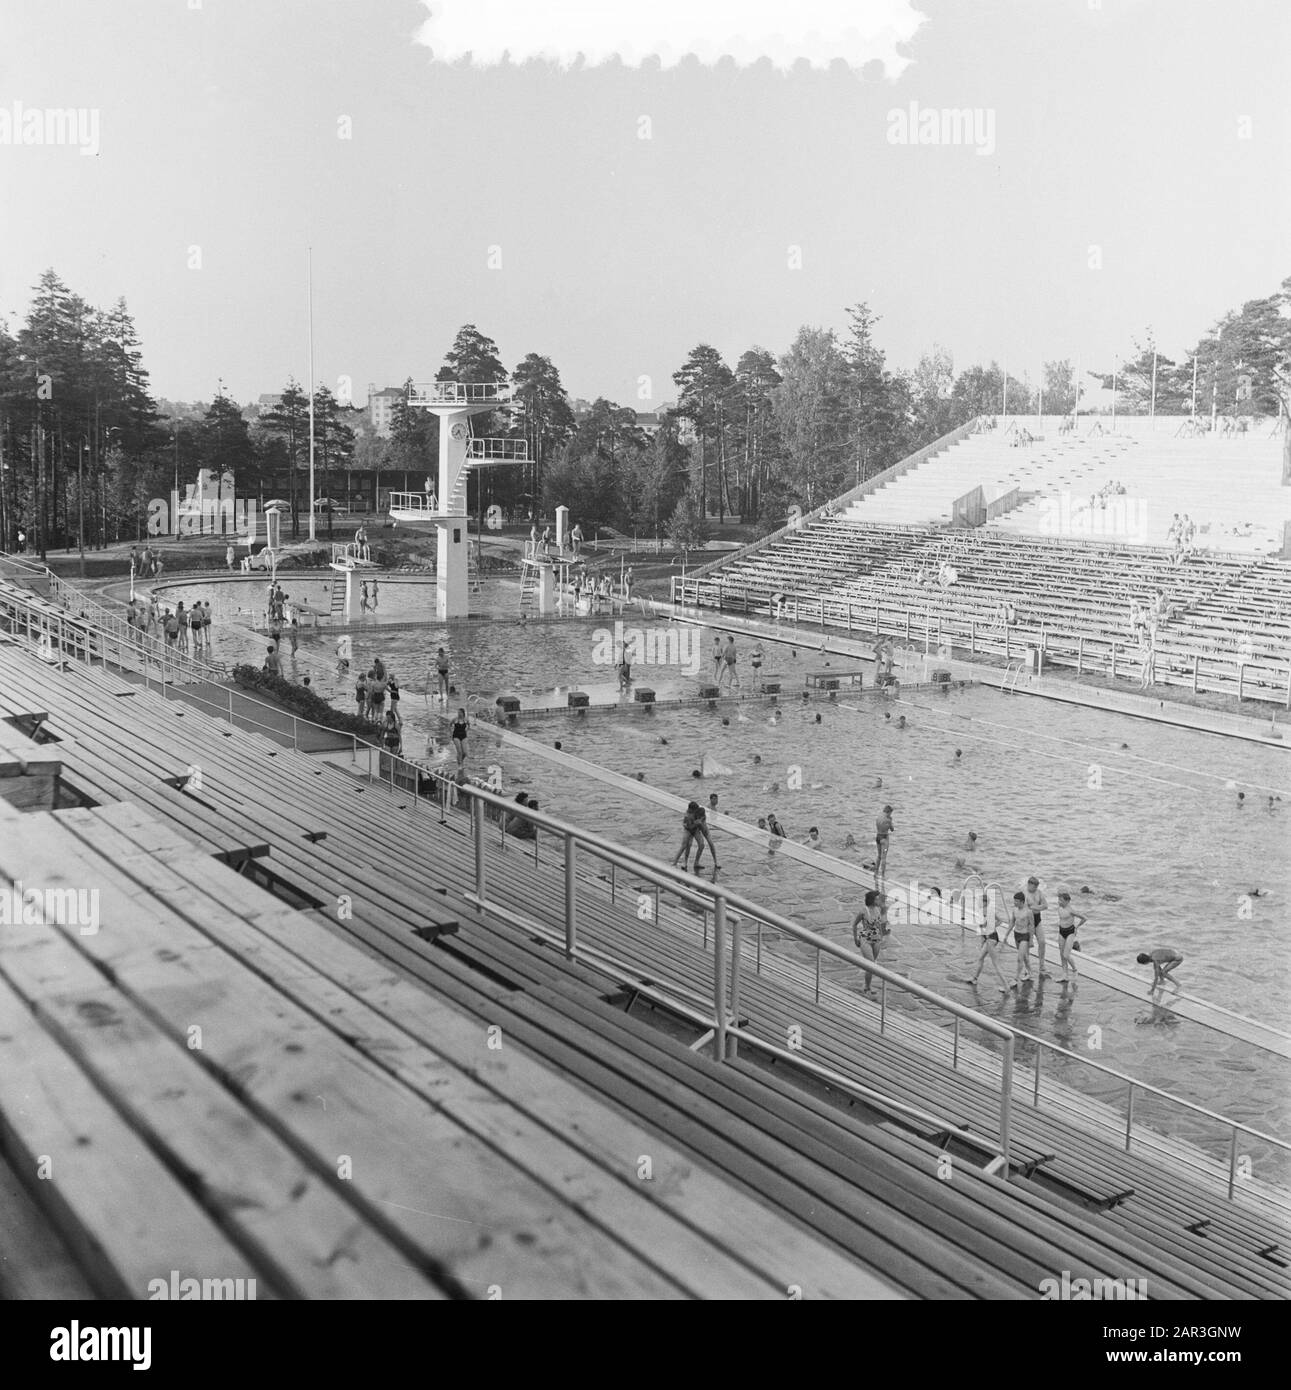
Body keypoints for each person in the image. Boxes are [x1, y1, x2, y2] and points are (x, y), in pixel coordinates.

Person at [968, 892, 1013, 993]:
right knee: (980, 958)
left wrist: (986, 928)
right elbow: (1000, 921)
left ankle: (1006, 987)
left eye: (980, 901)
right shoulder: (989, 910)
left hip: (990, 939)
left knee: (996, 964)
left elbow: (984, 925)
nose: (978, 903)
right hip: (992, 937)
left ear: (984, 903)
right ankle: (975, 978)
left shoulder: (984, 911)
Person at [851, 889, 885, 994]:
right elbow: (854, 924)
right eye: (877, 898)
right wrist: (855, 938)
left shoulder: (878, 909)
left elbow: (879, 924)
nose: (879, 900)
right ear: (872, 900)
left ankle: (867, 986)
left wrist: (881, 935)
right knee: (870, 964)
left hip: (876, 940)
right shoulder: (863, 911)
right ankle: (867, 988)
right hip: (865, 939)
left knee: (872, 966)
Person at [1055, 891, 1086, 979]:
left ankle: (1075, 970)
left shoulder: (1071, 910)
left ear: (1067, 901)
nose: (1059, 902)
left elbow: (1084, 918)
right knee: (1062, 954)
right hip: (1061, 931)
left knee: (1066, 955)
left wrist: (1077, 926)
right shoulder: (1059, 908)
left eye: (1061, 900)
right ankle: (1064, 975)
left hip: (1070, 932)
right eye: (1058, 900)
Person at [1024, 876, 1050, 978]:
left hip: (1038, 920)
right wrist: (1038, 907)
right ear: (1029, 884)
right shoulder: (1025, 894)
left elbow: (1046, 905)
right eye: (1034, 887)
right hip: (1028, 922)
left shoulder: (1039, 893)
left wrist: (1036, 907)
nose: (1035, 889)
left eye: (1036, 887)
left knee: (1042, 942)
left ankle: (1042, 966)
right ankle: (1027, 969)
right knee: (1027, 946)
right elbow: (1026, 909)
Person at [1009, 891, 1034, 985]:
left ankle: (1016, 979)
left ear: (1022, 901)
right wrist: (1006, 934)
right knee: (1025, 957)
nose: (1014, 902)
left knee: (1020, 958)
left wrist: (1031, 940)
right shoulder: (1014, 910)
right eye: (1014, 900)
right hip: (1016, 934)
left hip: (1025, 935)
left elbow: (1032, 925)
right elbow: (1012, 922)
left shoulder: (1028, 912)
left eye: (1016, 901)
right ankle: (1030, 973)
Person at [875, 804, 894, 876]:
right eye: (891, 813)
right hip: (884, 839)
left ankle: (876, 872)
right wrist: (890, 821)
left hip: (878, 837)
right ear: (889, 812)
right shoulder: (888, 819)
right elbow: (892, 829)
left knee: (879, 856)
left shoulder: (878, 817)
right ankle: (883, 875)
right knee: (884, 857)